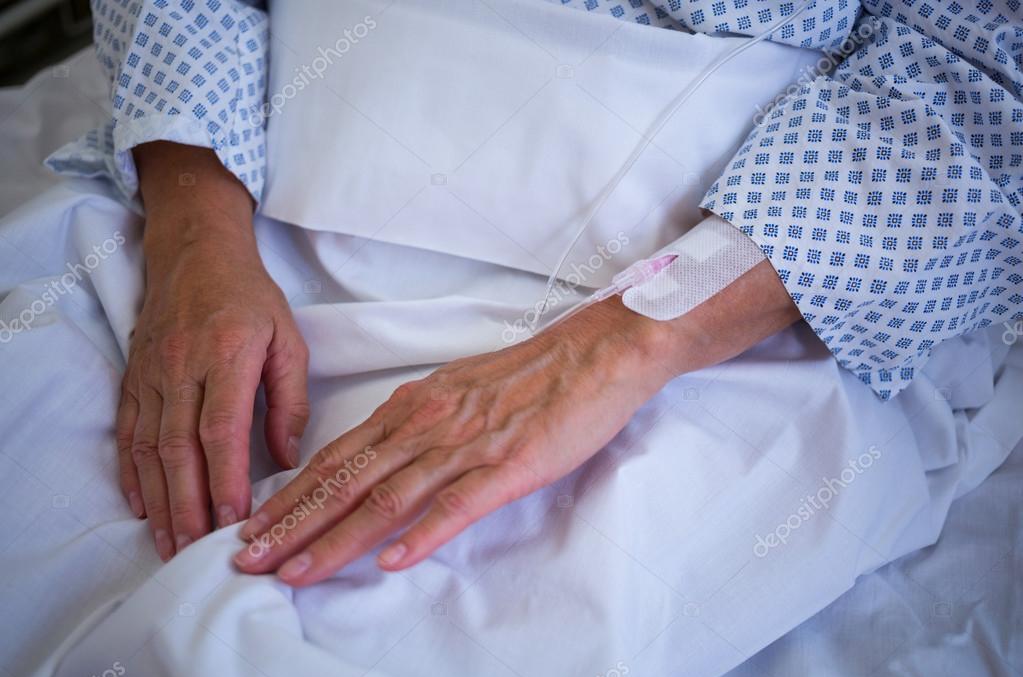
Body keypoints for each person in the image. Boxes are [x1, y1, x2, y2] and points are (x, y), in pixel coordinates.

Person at [47, 0, 1022, 584]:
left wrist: (624, 343)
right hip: (241, 181)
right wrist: (194, 230)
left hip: (722, 285)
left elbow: (980, 79)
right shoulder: (197, 226)